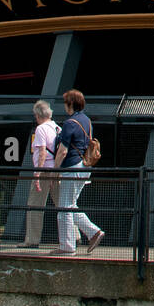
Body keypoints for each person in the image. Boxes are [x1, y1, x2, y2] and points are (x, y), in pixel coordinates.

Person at [51, 89, 104, 255]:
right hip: (84, 166)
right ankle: (94, 232)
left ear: (71, 104)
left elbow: (63, 151)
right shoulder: (86, 120)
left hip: (71, 167)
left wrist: (54, 171)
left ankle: (67, 247)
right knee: (71, 205)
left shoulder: (69, 123)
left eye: (66, 103)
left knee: (64, 208)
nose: (65, 106)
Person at [23, 99, 61, 248]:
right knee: (63, 205)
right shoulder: (57, 128)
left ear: (37, 115)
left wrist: (37, 174)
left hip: (44, 170)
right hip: (56, 171)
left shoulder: (40, 129)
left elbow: (42, 153)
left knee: (35, 205)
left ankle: (32, 240)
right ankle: (74, 236)